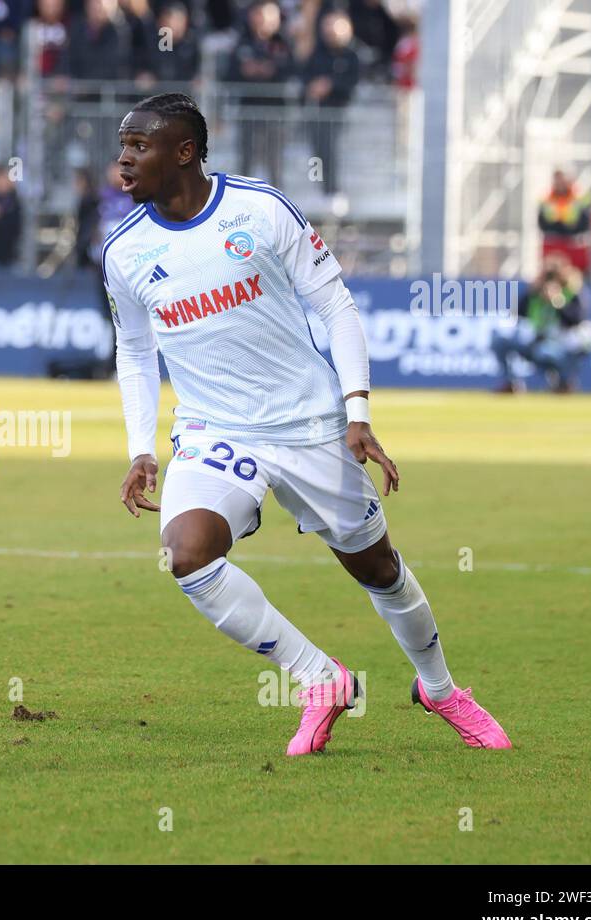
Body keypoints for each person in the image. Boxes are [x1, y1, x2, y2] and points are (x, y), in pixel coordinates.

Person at [105, 93, 510, 755]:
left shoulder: (259, 210)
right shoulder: (125, 251)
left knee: (376, 567)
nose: (123, 159)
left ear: (184, 152)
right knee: (187, 554)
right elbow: (137, 350)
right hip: (215, 431)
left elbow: (336, 306)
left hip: (308, 422)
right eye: (122, 144)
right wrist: (139, 447)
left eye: (138, 145)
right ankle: (321, 678)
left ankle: (440, 688)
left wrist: (357, 410)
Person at [491, 258, 591, 394]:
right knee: (500, 342)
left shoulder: (573, 295)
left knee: (545, 352)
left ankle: (563, 382)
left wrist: (557, 302)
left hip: (562, 346)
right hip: (536, 341)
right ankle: (512, 383)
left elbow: (576, 320)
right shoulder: (535, 294)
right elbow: (517, 313)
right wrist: (533, 291)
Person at [228, 1, 294, 186]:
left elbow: (292, 71)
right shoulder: (242, 42)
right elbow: (229, 74)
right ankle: (242, 203)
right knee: (246, 159)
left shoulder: (284, 44)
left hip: (276, 113)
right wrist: (245, 71)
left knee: (275, 162)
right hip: (248, 111)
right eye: (259, 15)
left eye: (269, 15)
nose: (263, 20)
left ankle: (276, 201)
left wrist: (271, 70)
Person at [301, 10, 360, 196]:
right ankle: (320, 188)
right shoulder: (317, 53)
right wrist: (313, 87)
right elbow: (304, 77)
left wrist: (331, 85)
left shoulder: (352, 56)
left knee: (333, 153)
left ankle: (333, 190)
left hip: (340, 112)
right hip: (317, 114)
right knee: (317, 154)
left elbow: (352, 82)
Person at [538, 169, 591, 276]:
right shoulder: (546, 199)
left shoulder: (579, 198)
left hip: (573, 245)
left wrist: (571, 228)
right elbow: (542, 222)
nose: (560, 184)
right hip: (553, 245)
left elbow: (585, 222)